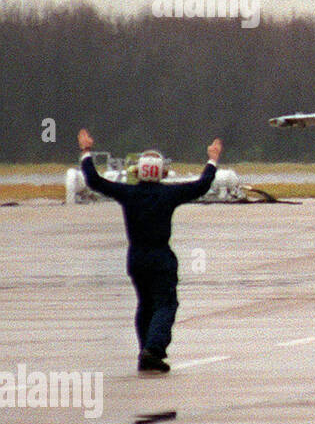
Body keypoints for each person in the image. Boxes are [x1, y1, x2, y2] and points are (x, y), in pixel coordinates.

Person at [78, 129, 223, 374]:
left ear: (139, 170)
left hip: (135, 258)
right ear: (161, 172)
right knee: (165, 304)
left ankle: (144, 350)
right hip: (160, 258)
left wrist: (86, 152)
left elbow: (94, 181)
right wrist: (212, 159)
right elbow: (201, 186)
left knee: (145, 305)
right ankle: (153, 350)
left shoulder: (128, 193)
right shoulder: (168, 194)